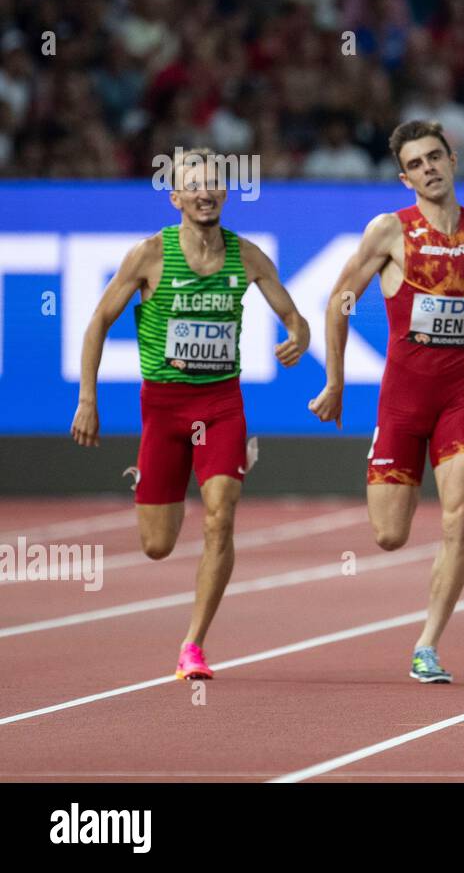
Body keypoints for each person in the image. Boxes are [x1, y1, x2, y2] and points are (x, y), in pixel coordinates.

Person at [308, 120, 464, 684]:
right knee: (389, 535)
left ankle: (428, 644)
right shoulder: (389, 231)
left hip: (458, 398)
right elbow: (339, 302)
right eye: (416, 164)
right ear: (404, 177)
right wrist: (336, 382)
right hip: (401, 402)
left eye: (435, 157)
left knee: (459, 518)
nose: (429, 169)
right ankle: (393, 469)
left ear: (453, 159)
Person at [72, 148, 310, 680]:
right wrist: (89, 399)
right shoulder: (150, 255)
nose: (206, 192)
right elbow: (96, 324)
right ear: (176, 197)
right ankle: (167, 476)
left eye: (214, 184)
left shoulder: (246, 256)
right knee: (157, 545)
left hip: (222, 404)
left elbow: (294, 316)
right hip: (163, 410)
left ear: (225, 193)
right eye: (193, 185)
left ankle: (193, 646)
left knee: (221, 517)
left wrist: (299, 336)